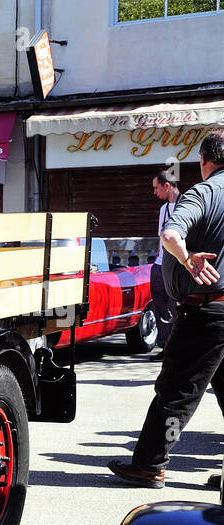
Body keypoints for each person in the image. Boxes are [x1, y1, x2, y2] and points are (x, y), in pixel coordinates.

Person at [108, 129, 224, 489]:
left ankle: (150, 464)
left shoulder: (205, 192)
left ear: (204, 161)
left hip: (206, 310)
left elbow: (170, 235)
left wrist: (188, 259)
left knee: (176, 390)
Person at [147, 168, 182, 356]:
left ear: (167, 186)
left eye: (156, 188)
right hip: (160, 265)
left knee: (175, 307)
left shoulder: (186, 205)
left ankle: (178, 349)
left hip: (177, 266)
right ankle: (166, 346)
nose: (155, 192)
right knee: (159, 306)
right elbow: (161, 236)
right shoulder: (163, 208)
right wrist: (157, 261)